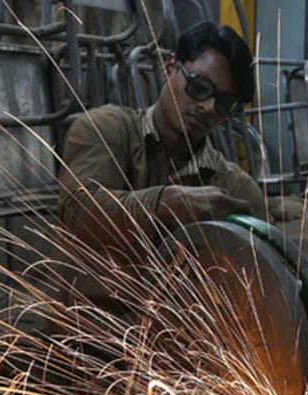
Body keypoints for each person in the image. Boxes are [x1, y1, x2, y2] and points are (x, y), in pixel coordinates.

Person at [55, 22, 266, 307]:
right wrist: (167, 203)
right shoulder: (105, 130)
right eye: (200, 87)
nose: (208, 107)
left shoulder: (234, 188)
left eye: (224, 104)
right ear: (170, 67)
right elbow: (79, 213)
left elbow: (265, 280)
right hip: (91, 331)